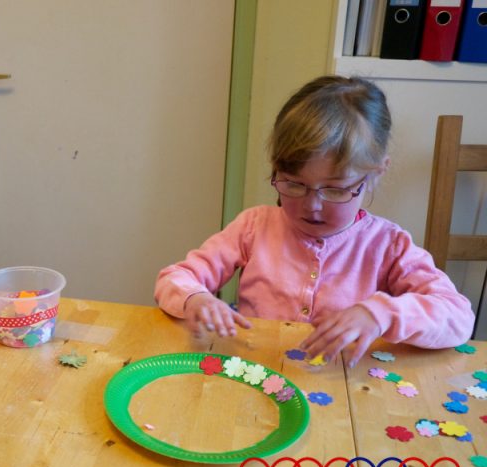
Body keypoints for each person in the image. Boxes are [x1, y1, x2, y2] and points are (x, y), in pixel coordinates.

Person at [154, 75, 474, 366]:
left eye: (335, 190)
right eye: (294, 184)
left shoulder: (388, 245)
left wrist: (380, 313)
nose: (313, 205)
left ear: (375, 172)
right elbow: (174, 277)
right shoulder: (254, 226)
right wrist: (196, 299)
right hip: (257, 371)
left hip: (342, 390)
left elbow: (458, 316)